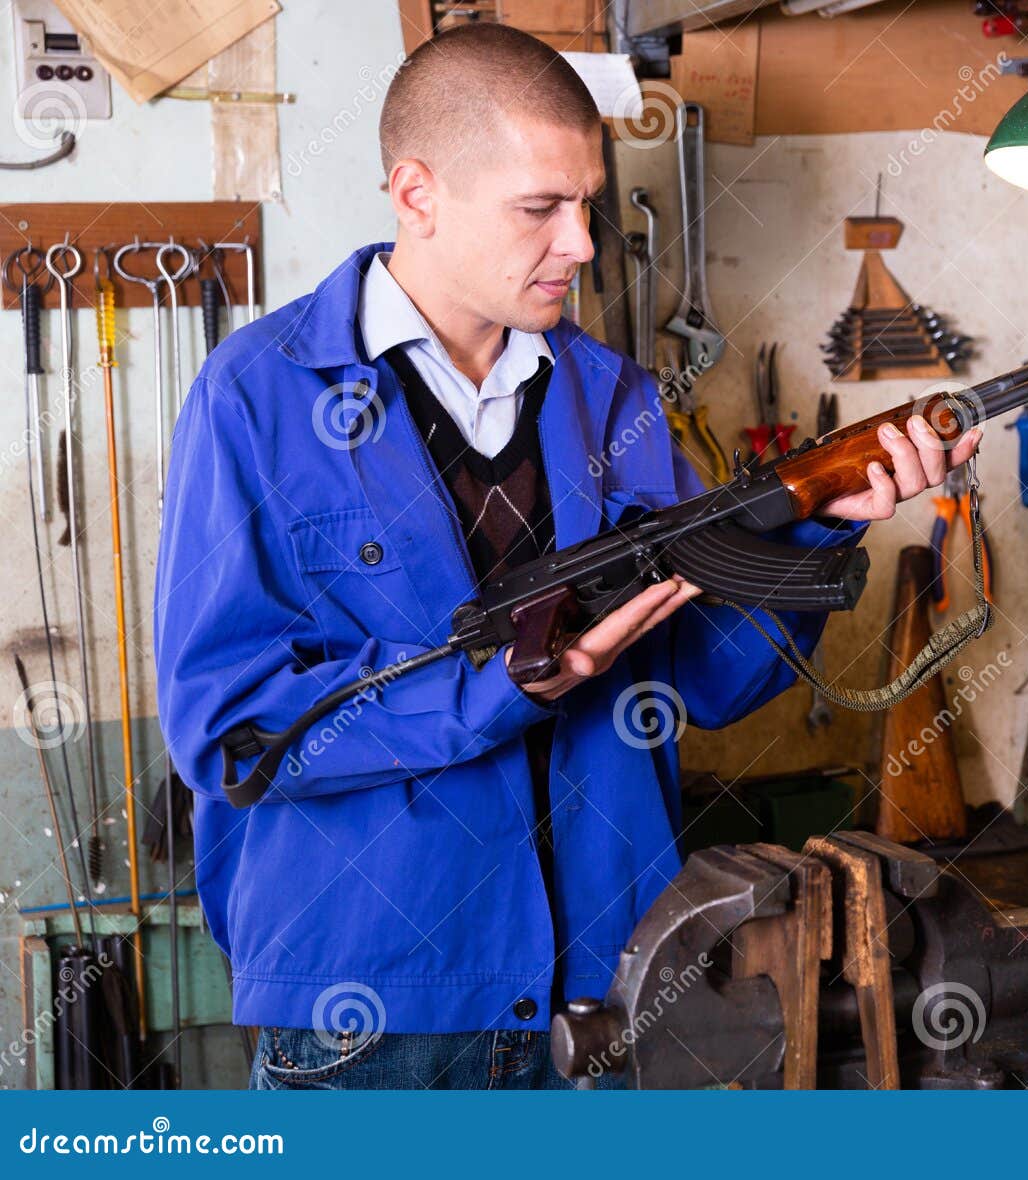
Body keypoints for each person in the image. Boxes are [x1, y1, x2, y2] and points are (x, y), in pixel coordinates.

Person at [154, 24, 978, 1090]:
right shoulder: (258, 396)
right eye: (539, 208)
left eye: (586, 203)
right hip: (379, 1012)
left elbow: (706, 680)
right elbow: (230, 730)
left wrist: (820, 525)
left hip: (615, 981)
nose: (581, 244)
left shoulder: (614, 398)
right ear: (417, 194)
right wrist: (500, 688)